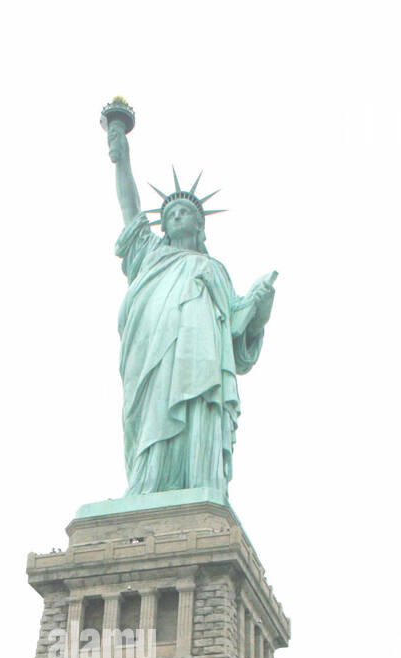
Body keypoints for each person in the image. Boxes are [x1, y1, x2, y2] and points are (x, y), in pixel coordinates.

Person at [105, 111, 276, 497]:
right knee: (151, 416)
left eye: (185, 213)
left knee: (200, 406)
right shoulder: (149, 255)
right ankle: (148, 485)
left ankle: (200, 485)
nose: (177, 216)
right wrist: (122, 158)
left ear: (200, 225)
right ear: (162, 226)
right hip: (152, 354)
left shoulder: (214, 270)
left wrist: (259, 310)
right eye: (170, 214)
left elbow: (237, 333)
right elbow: (130, 208)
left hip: (202, 362)